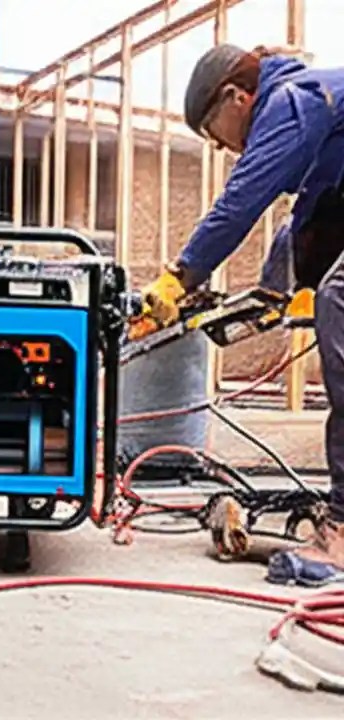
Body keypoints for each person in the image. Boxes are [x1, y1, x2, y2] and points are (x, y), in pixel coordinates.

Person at [135, 43, 344, 584]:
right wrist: (270, 293)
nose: (223, 148)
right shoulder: (315, 98)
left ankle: (343, 533)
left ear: (235, 97)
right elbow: (307, 217)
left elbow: (242, 200)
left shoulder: (290, 102)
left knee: (339, 302)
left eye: (213, 132)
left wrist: (179, 278)